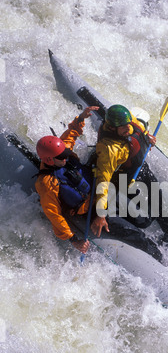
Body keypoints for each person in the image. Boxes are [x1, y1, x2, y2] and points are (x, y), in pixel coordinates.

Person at [35, 106, 99, 254]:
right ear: (50, 159)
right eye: (62, 157)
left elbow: (72, 133)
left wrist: (82, 117)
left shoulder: (61, 151)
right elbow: (53, 214)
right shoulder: (46, 183)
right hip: (86, 209)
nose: (66, 157)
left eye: (65, 153)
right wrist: (73, 239)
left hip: (97, 191)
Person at [91, 104, 156, 238]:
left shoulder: (127, 121)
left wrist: (147, 136)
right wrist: (100, 213)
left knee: (157, 202)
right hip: (117, 180)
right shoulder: (109, 150)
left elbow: (138, 127)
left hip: (133, 171)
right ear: (112, 128)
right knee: (145, 221)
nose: (128, 128)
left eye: (127, 124)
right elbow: (103, 180)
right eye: (122, 126)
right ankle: (110, 214)